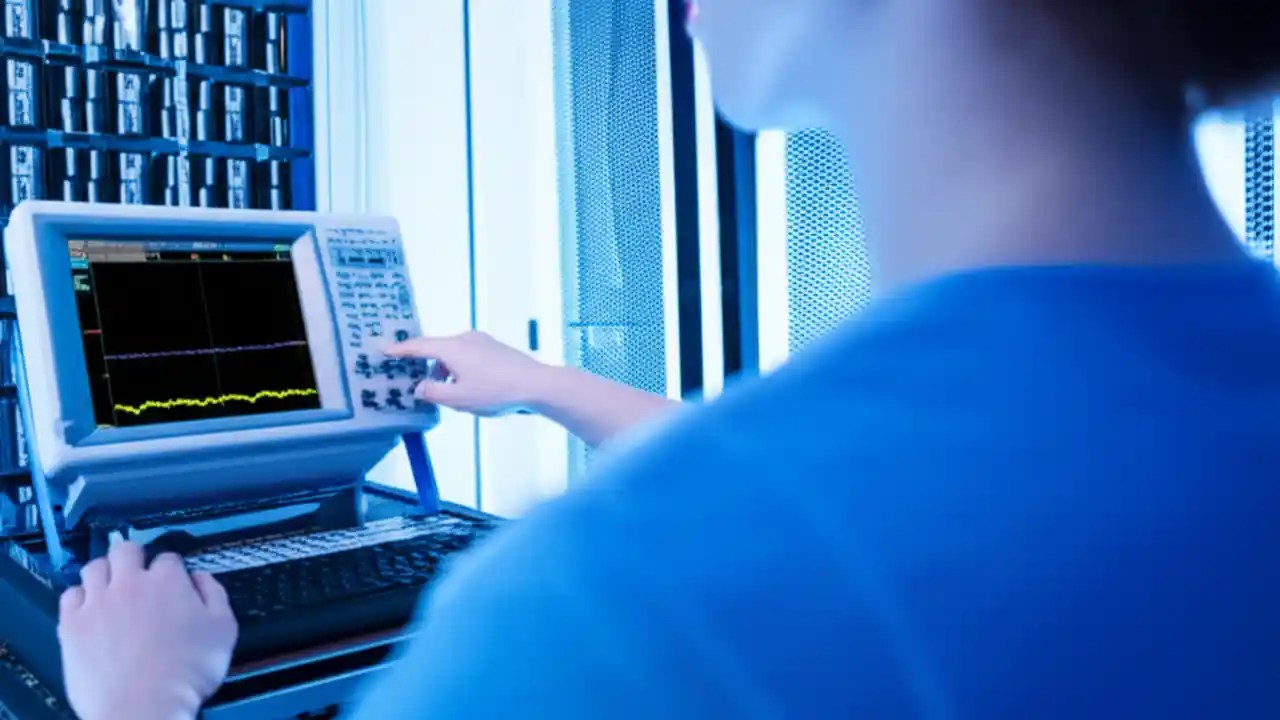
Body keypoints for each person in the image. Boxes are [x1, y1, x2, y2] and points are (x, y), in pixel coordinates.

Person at [57, 0, 1280, 717]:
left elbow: (809, 520)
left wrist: (141, 698)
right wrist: (548, 387)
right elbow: (938, 489)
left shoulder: (607, 606)